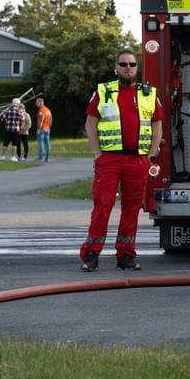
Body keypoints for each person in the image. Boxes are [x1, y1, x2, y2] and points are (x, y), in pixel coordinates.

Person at [79, 49, 163, 272]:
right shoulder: (103, 91)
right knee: (102, 207)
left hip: (137, 160)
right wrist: (98, 155)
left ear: (137, 68)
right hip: (110, 159)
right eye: (123, 64)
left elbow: (157, 126)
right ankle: (91, 254)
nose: (128, 68)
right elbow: (90, 123)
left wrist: (151, 153)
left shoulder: (149, 93)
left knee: (132, 210)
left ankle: (125, 256)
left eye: (132, 64)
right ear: (115, 67)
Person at [35, 96, 52, 161]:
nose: (36, 104)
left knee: (40, 143)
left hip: (42, 129)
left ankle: (40, 157)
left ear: (41, 102)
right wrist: (49, 127)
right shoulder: (48, 110)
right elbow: (51, 119)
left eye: (37, 103)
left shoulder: (41, 111)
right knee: (47, 143)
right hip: (47, 129)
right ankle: (47, 157)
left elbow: (40, 120)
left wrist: (38, 129)